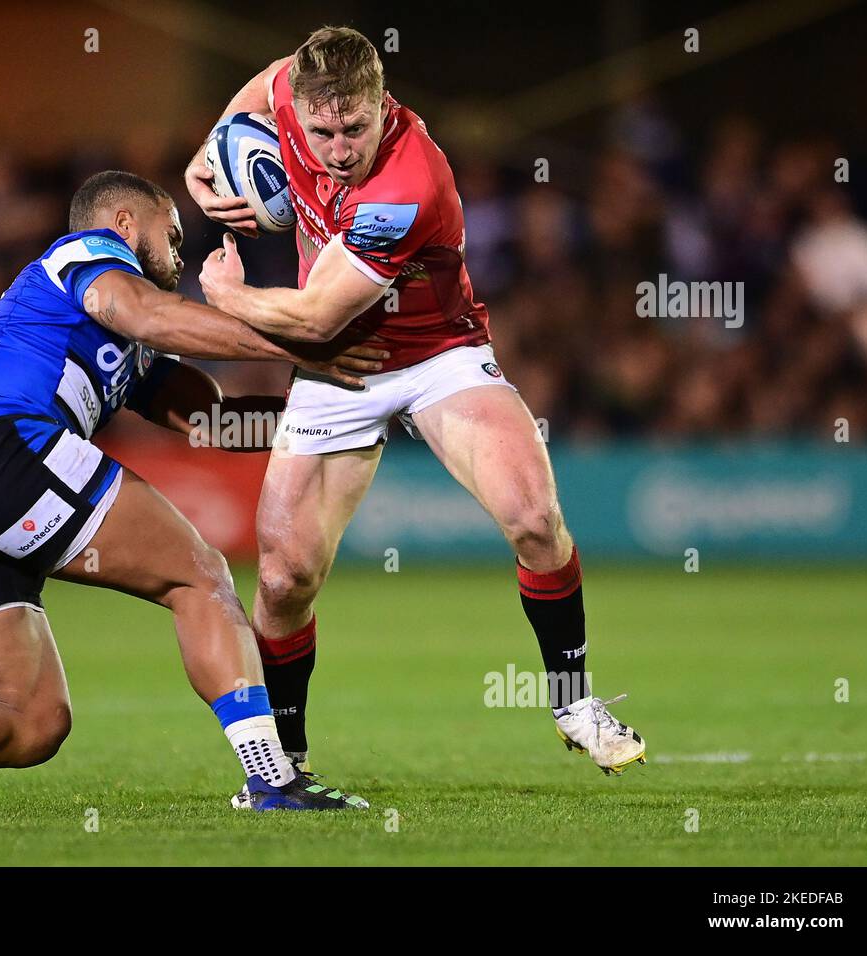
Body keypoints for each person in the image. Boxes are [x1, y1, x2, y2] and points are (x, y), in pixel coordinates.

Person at [0, 171, 384, 814]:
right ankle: (271, 779)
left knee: (32, 720)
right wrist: (299, 336)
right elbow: (150, 314)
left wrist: (336, 411)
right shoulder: (86, 256)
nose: (180, 250)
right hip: (4, 447)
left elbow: (209, 417)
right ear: (121, 223)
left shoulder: (114, 332)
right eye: (169, 232)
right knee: (198, 577)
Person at [184, 28, 646, 804]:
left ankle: (572, 701)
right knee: (283, 576)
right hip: (339, 372)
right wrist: (208, 166)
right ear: (301, 105)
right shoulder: (286, 90)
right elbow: (245, 110)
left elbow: (315, 316)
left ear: (382, 104)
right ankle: (286, 764)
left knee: (535, 518)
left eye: (354, 129)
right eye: (322, 130)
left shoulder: (410, 179)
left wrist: (226, 296)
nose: (336, 148)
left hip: (434, 354)